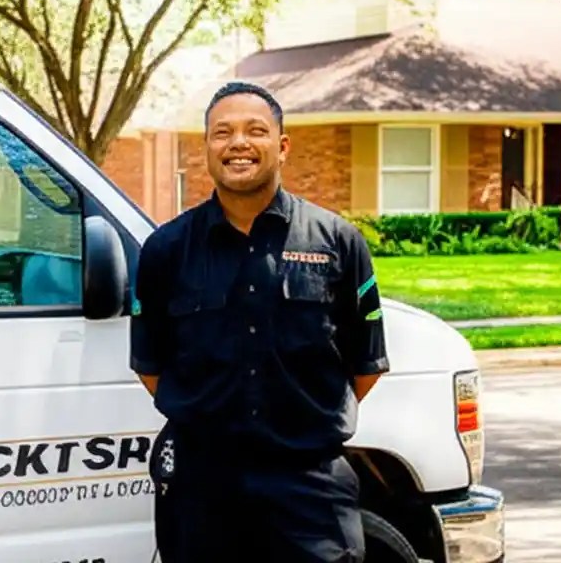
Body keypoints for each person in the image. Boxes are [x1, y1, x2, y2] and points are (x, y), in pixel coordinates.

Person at [129, 81, 389, 563]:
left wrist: (296, 423)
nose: (238, 144)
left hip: (308, 488)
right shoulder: (166, 250)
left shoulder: (338, 242)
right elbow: (151, 363)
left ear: (282, 146)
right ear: (206, 147)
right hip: (202, 486)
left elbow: (365, 363)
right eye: (222, 132)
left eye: (256, 131)